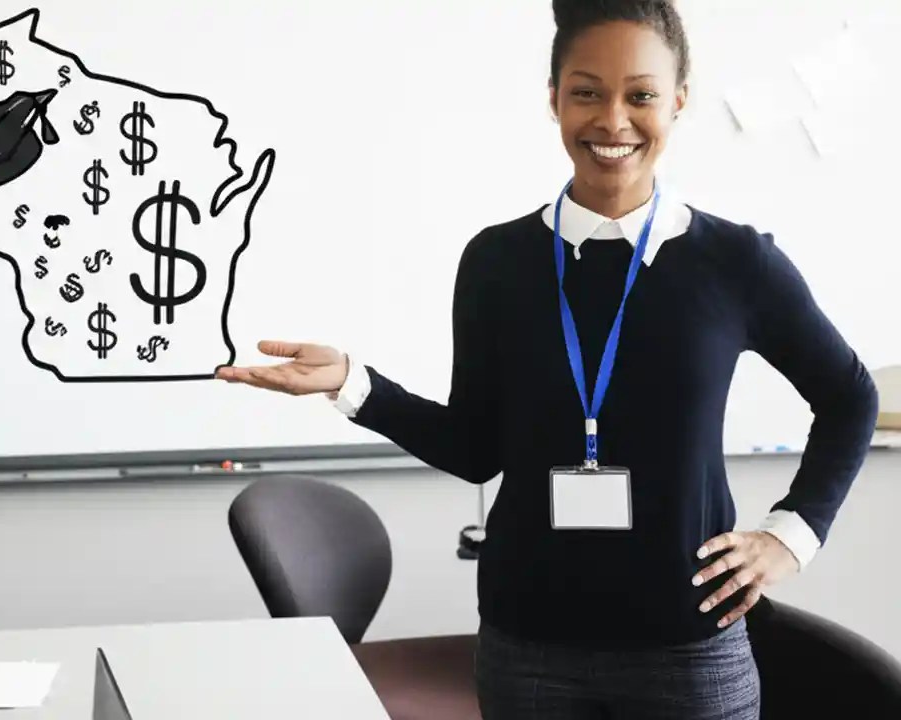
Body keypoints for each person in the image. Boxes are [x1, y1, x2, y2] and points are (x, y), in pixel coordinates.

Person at [216, 0, 880, 717]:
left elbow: (849, 396)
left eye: (642, 95)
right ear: (555, 100)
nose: (614, 120)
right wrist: (355, 384)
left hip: (690, 653)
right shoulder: (499, 261)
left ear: (679, 102)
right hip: (530, 652)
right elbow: (475, 447)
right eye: (587, 92)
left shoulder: (736, 262)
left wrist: (791, 534)